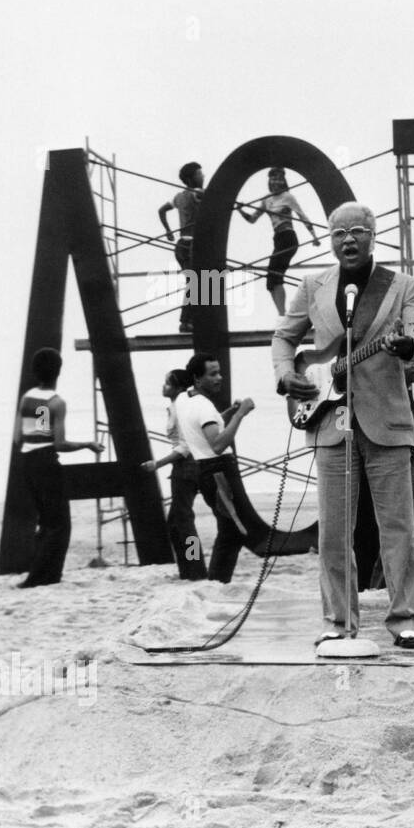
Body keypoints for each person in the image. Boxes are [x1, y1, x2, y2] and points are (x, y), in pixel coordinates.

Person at [272, 201, 414, 649]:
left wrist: (408, 348)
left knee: (398, 527)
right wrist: (287, 374)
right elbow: (285, 336)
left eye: (358, 230)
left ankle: (406, 619)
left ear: (373, 234)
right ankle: (338, 620)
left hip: (387, 420)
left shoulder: (403, 286)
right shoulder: (313, 285)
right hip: (330, 421)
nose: (348, 239)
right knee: (333, 529)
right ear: (329, 238)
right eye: (339, 232)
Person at [10, 348, 106, 587]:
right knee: (60, 524)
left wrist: (37, 438)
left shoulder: (27, 398)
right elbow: (60, 443)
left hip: (27, 463)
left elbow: (18, 439)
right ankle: (46, 576)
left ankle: (38, 575)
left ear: (35, 371)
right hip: (46, 464)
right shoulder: (56, 402)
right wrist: (87, 444)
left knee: (46, 521)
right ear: (58, 371)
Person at [174, 353, 257, 583]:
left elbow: (205, 426)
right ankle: (216, 582)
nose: (220, 378)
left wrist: (228, 413)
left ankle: (210, 577)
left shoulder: (185, 399)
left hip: (203, 469)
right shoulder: (204, 407)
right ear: (197, 378)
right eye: (213, 374)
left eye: (219, 372)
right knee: (233, 531)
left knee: (227, 527)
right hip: (220, 469)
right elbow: (218, 444)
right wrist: (240, 414)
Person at [140, 368, 206, 580]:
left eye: (167, 383)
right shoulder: (178, 405)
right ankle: (188, 568)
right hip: (186, 466)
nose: (163, 386)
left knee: (184, 522)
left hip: (186, 467)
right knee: (177, 523)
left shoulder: (180, 407)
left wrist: (157, 464)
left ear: (177, 387)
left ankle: (195, 568)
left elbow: (184, 447)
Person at [237, 167, 320, 315]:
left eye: (279, 179)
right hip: (278, 239)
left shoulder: (288, 197)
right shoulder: (266, 200)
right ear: (269, 181)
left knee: (275, 275)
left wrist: (314, 236)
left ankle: (283, 315)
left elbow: (302, 216)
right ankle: (282, 315)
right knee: (271, 281)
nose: (276, 181)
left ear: (284, 181)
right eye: (273, 178)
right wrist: (240, 210)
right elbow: (252, 219)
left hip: (288, 238)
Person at [157, 161, 204, 333]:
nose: (203, 176)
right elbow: (216, 198)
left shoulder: (178, 197)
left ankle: (192, 320)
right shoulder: (197, 193)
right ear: (191, 179)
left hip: (181, 245)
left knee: (195, 281)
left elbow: (161, 210)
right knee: (198, 281)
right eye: (199, 174)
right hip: (193, 245)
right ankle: (186, 321)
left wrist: (168, 231)